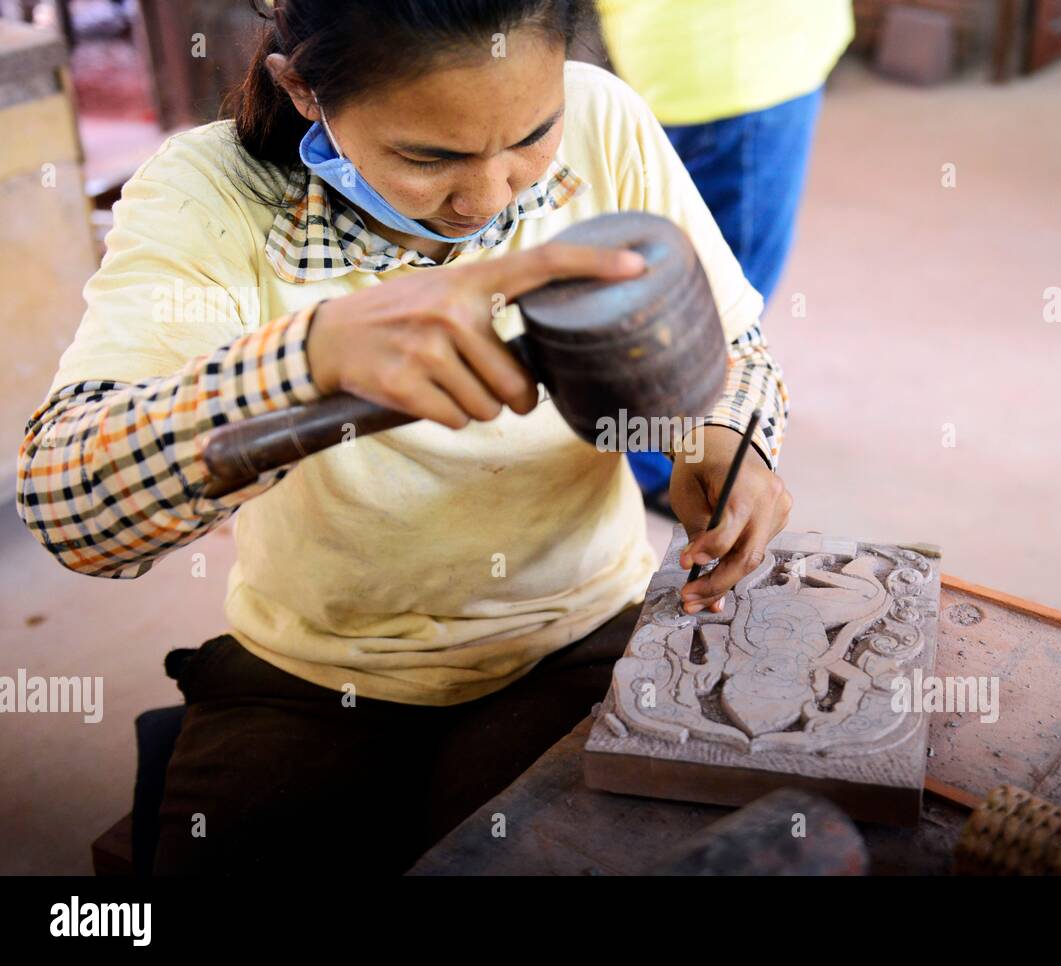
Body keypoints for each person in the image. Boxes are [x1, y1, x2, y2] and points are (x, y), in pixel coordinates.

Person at [16, 0, 790, 874]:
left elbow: (736, 352)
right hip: (315, 668)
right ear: (304, 89)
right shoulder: (207, 192)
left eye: (532, 137)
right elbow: (70, 510)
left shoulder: (601, 116)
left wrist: (729, 440)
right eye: (430, 156)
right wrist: (307, 361)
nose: (491, 197)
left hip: (576, 631)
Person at [598, 0, 851, 500]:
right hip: (740, 65)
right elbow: (734, 332)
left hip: (686, 56)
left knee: (670, 278)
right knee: (720, 300)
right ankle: (664, 465)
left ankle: (666, 450)